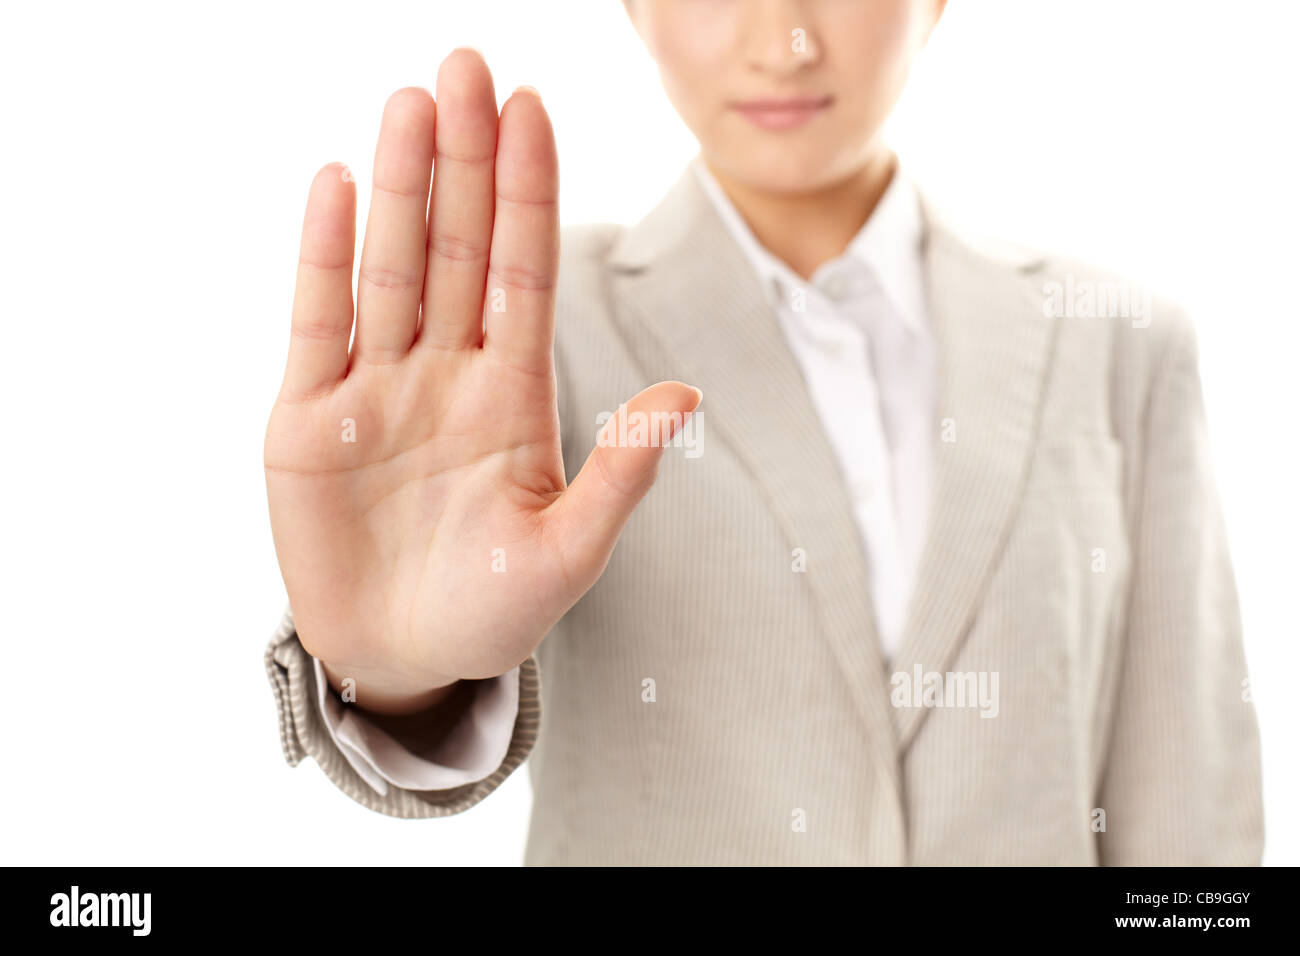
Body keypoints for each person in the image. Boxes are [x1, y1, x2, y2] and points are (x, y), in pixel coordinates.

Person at [262, 0, 1263, 865]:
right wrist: (393, 675)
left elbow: (1190, 817)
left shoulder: (1119, 344)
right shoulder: (514, 347)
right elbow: (440, 672)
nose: (781, 41)